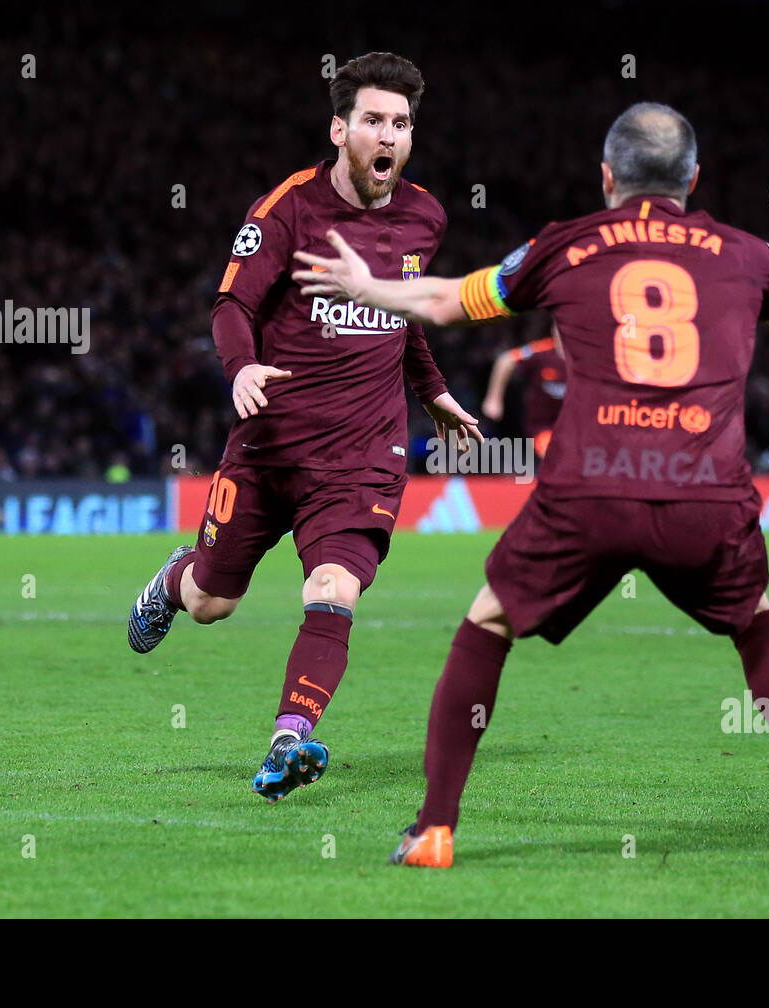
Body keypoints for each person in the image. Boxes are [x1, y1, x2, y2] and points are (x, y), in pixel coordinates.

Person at [294, 101, 769, 866]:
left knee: (488, 624)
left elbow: (447, 301)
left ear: (606, 176)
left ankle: (435, 828)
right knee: (758, 624)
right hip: (704, 494)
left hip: (588, 492)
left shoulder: (564, 244)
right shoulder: (748, 252)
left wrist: (369, 287)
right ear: (694, 179)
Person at [127, 52, 481, 804]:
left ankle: (290, 737)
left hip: (364, 453)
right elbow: (231, 306)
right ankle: (173, 577)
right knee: (212, 603)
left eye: (402, 123)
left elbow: (405, 310)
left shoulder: (427, 216)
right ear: (340, 129)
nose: (389, 135)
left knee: (333, 587)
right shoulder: (287, 208)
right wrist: (241, 369)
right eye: (375, 120)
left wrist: (434, 392)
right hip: (271, 446)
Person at [481, 324, 566, 460]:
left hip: (574, 423)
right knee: (555, 457)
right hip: (542, 425)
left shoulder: (586, 356)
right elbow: (506, 360)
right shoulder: (541, 351)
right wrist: (493, 399)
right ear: (553, 330)